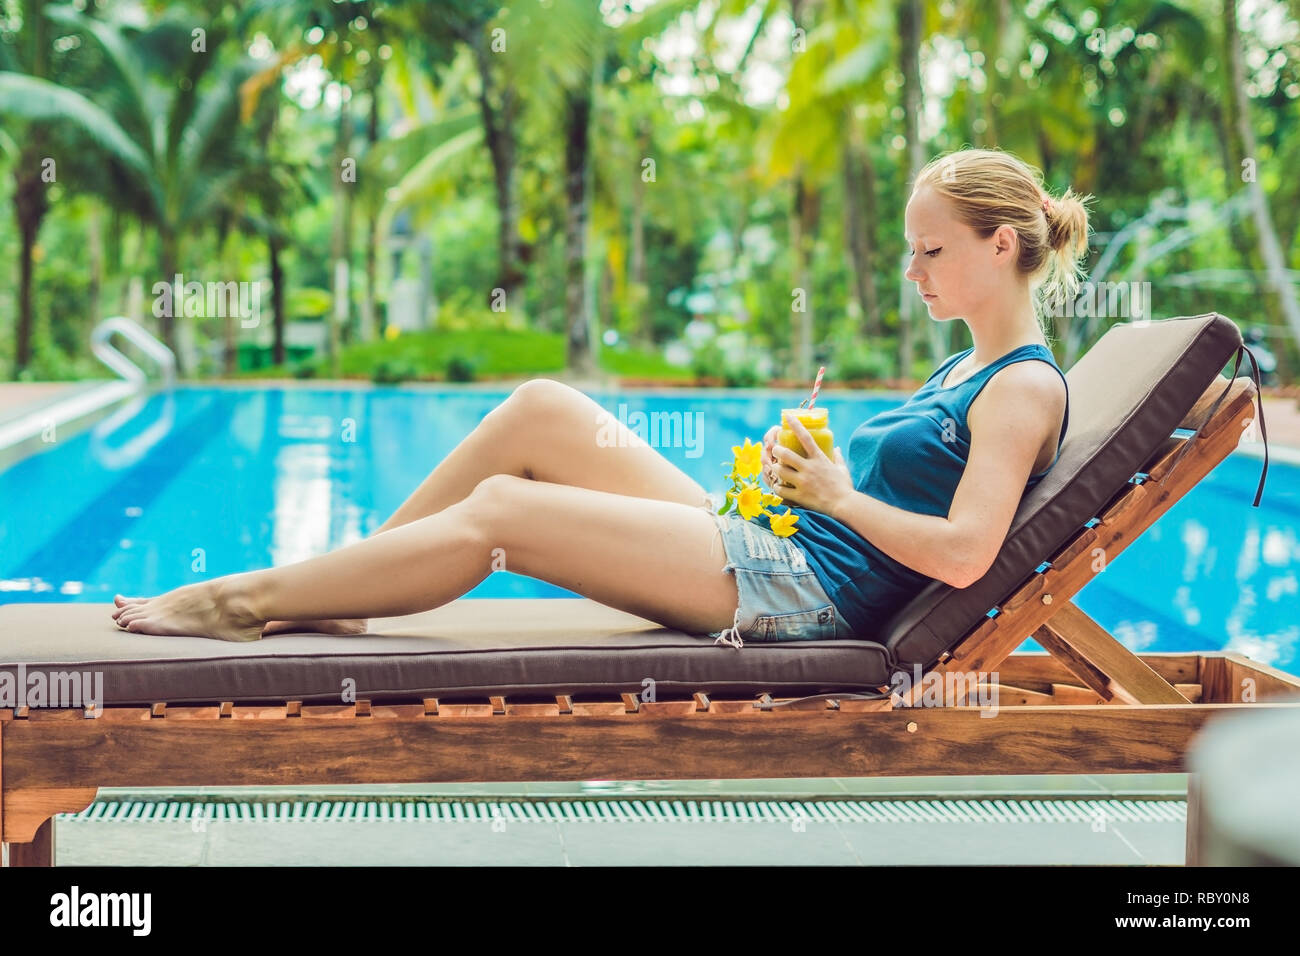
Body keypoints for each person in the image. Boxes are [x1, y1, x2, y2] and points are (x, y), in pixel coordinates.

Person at [111, 147, 1083, 646]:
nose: (912, 269)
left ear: (1002, 245)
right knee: (541, 406)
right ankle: (357, 588)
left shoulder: (1019, 389)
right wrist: (800, 475)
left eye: (931, 250)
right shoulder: (962, 368)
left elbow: (963, 555)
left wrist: (832, 493)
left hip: (792, 588)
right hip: (769, 539)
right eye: (912, 249)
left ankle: (239, 600)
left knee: (504, 512)